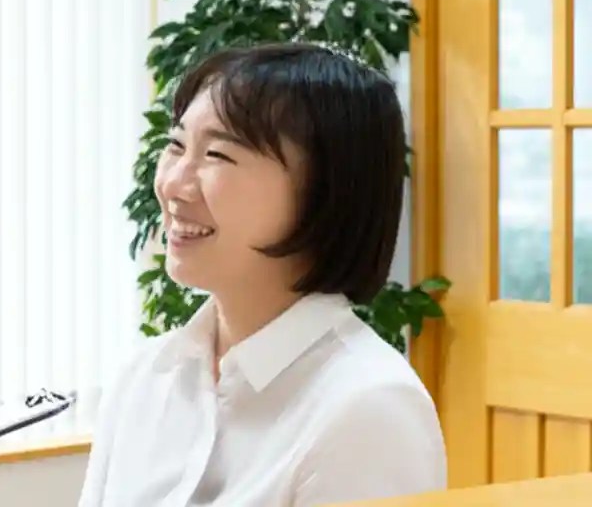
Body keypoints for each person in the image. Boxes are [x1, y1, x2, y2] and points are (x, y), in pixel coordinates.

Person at [78, 43, 447, 506]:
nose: (172, 183)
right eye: (175, 145)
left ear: (325, 191)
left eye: (217, 155)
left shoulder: (368, 407)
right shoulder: (145, 377)